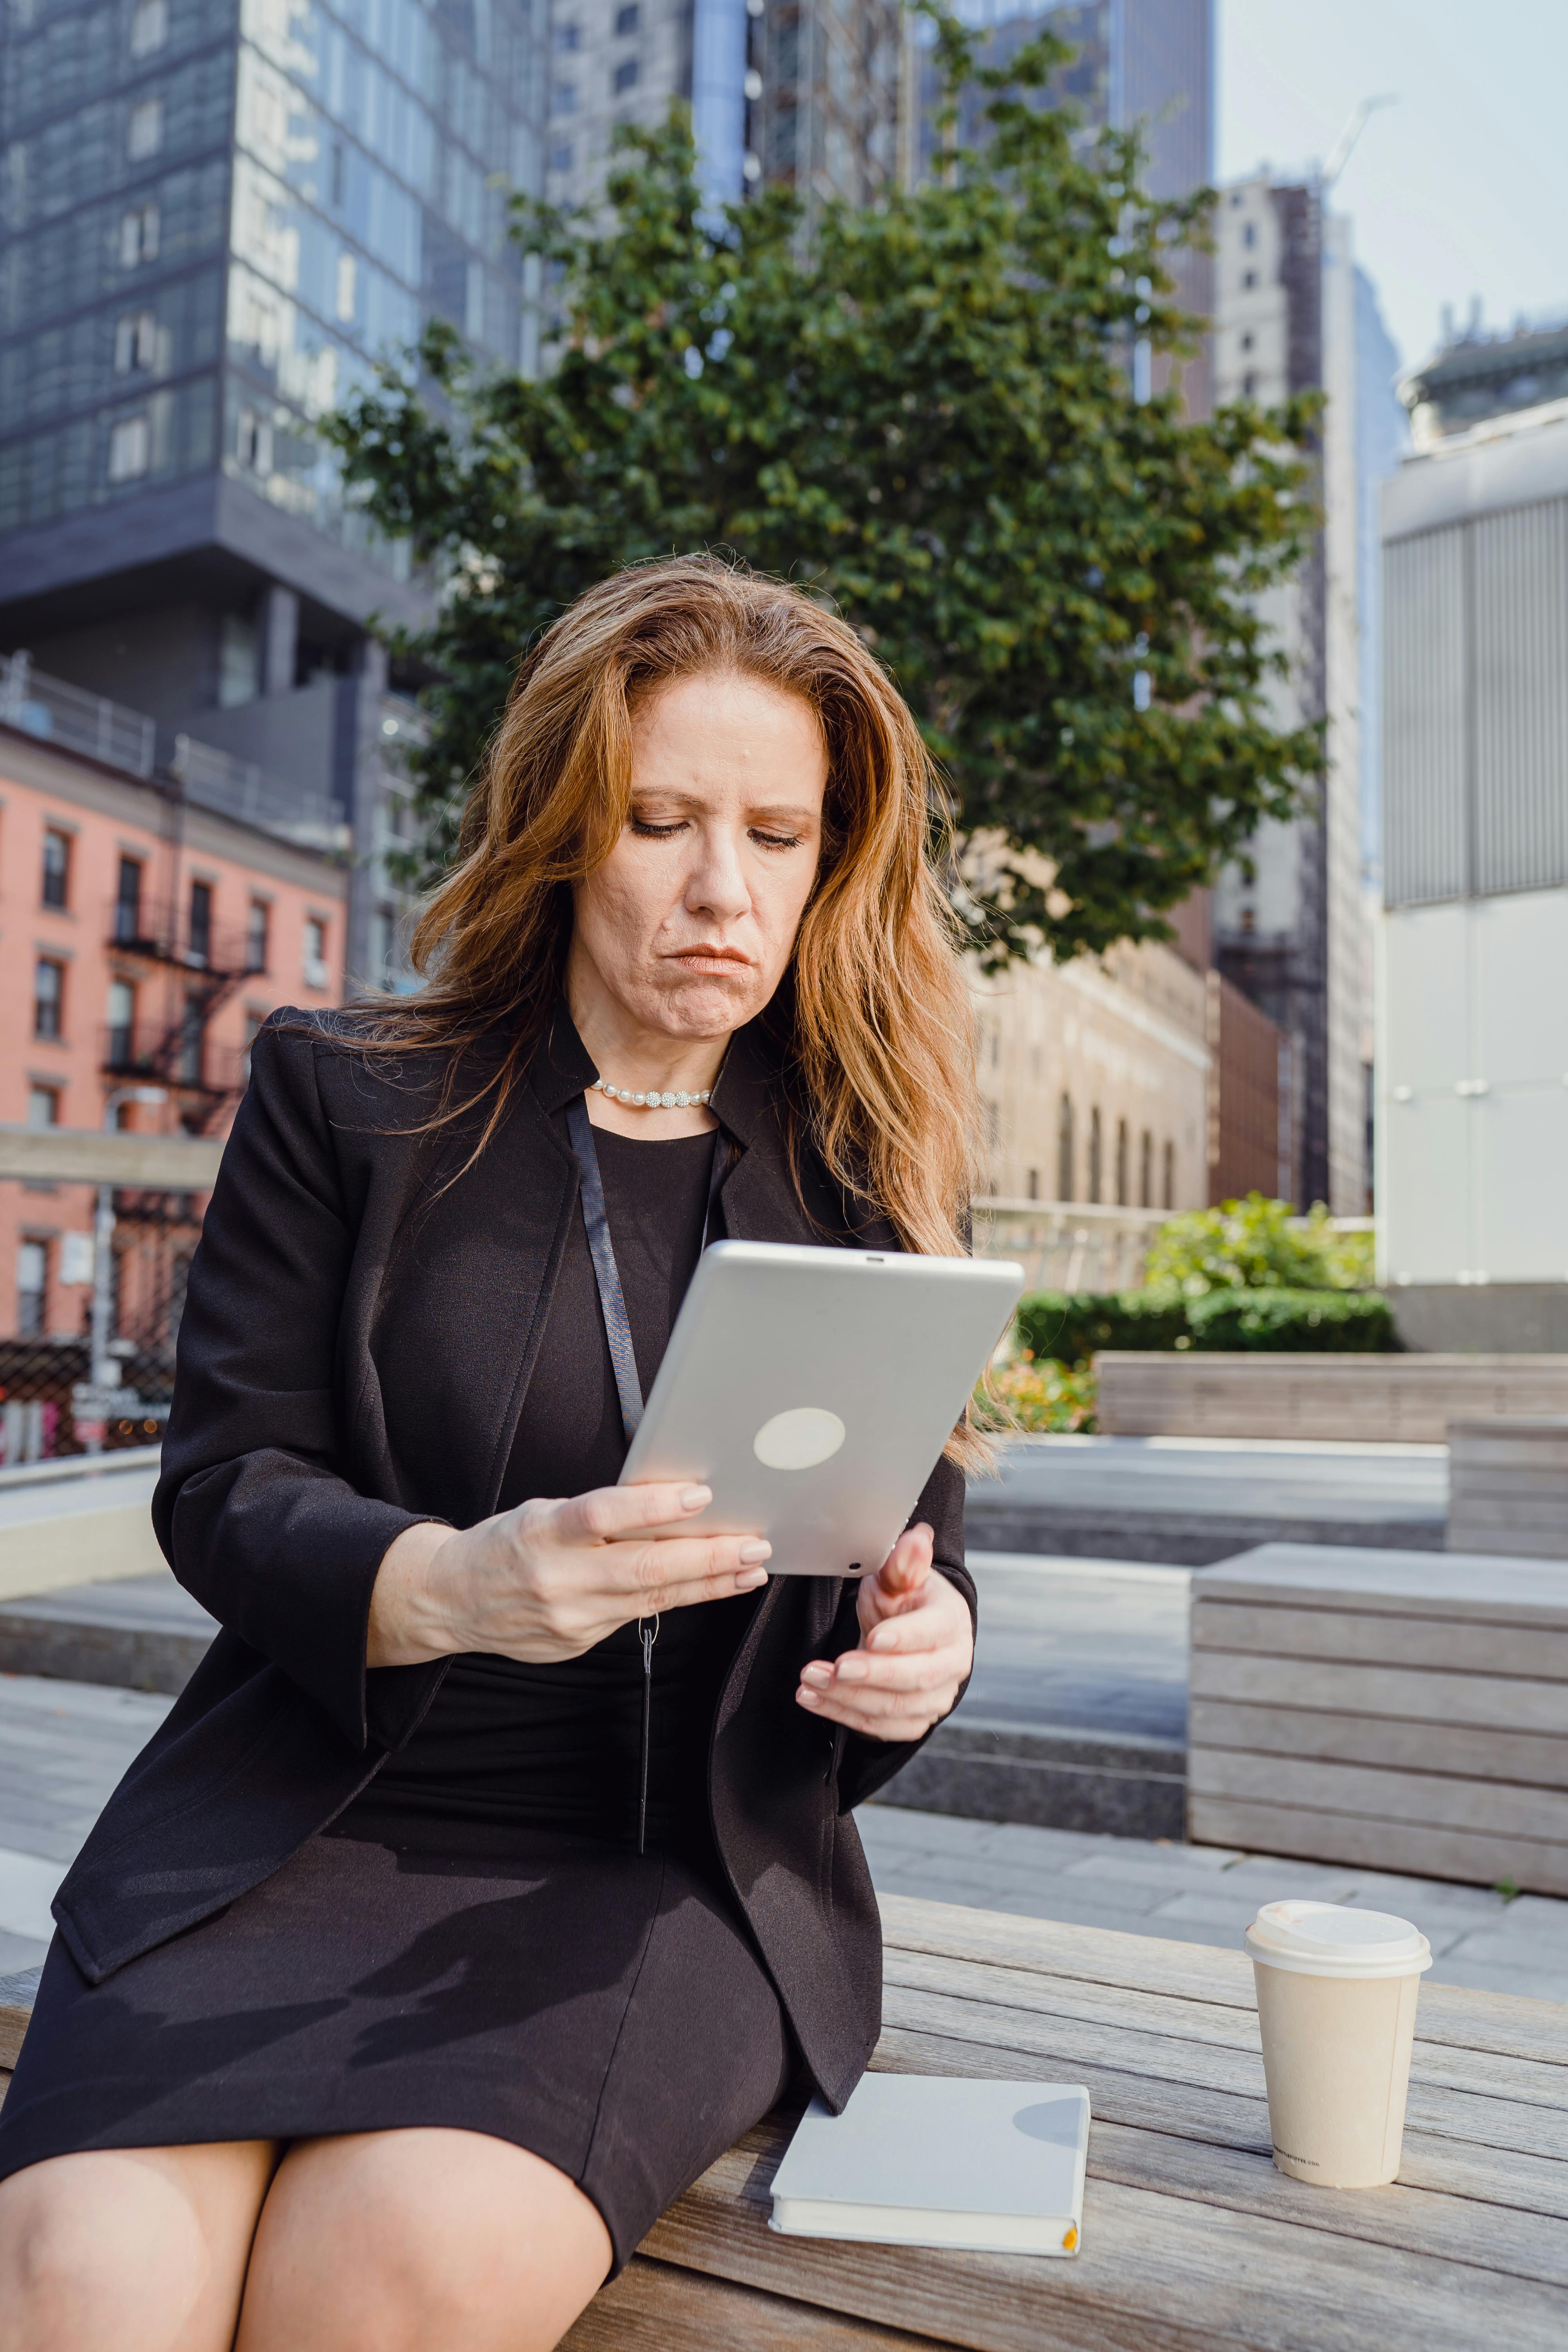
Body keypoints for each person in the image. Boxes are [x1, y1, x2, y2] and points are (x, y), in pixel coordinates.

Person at [0, 556, 983, 2352]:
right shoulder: (343, 1093)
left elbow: (906, 1560)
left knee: (393, 2279)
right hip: (291, 1833)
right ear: (560, 827)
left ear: (831, 861)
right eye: (660, 820)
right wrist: (448, 1582)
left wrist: (928, 1657)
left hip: (644, 1869)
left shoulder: (862, 1167)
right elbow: (225, 1483)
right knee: (86, 2281)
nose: (719, 889)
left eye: (776, 835)